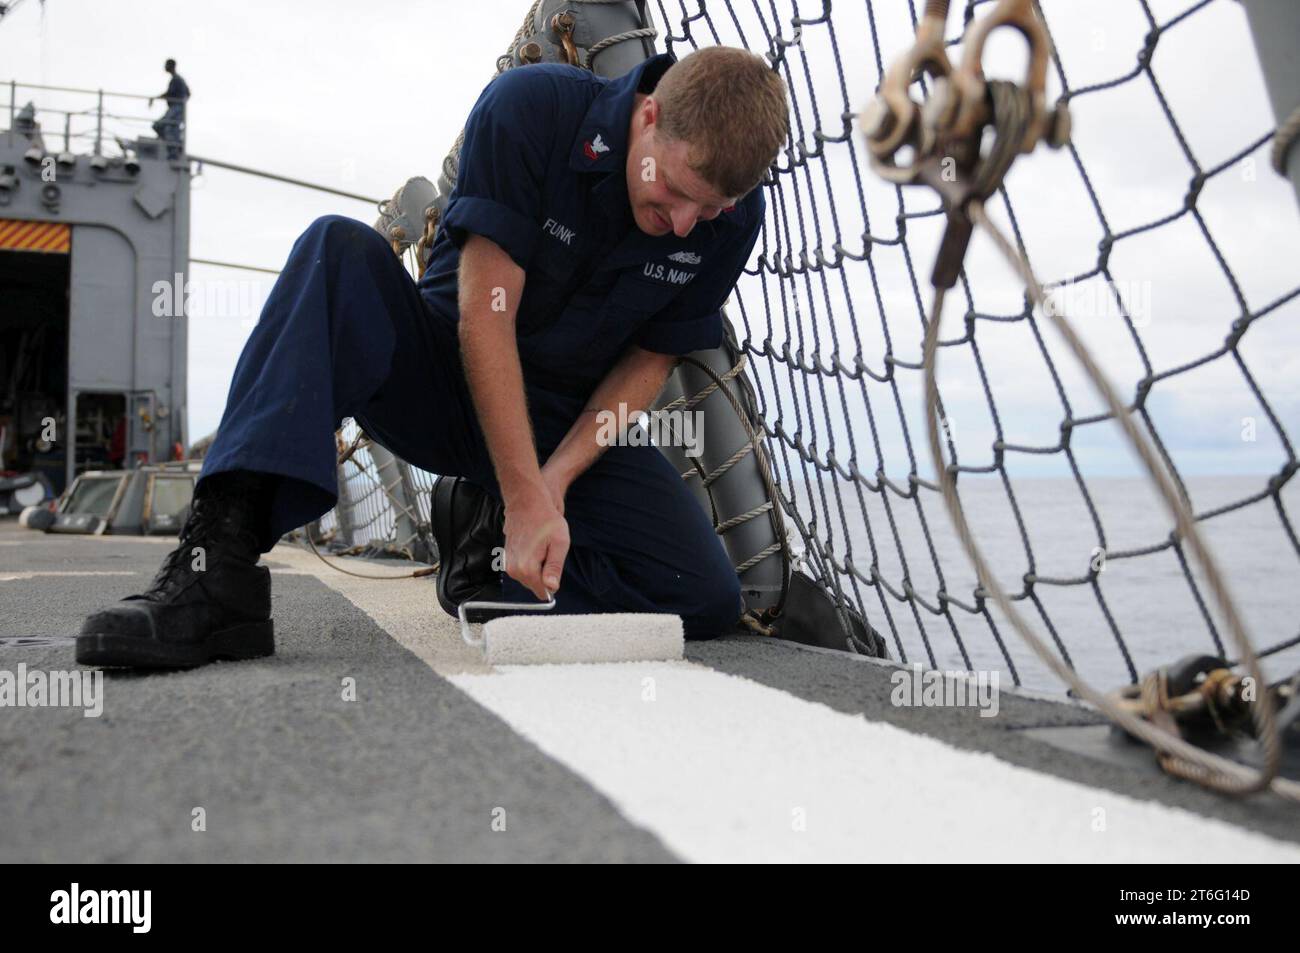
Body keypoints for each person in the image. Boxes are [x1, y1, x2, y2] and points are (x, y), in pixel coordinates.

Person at [76, 46, 790, 669]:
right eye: (674, 191)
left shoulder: (733, 220)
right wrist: (525, 496)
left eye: (709, 210)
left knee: (703, 596)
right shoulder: (532, 109)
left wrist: (551, 485)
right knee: (336, 250)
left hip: (561, 426)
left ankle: (488, 558)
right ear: (649, 116)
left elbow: (649, 361)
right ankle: (217, 573)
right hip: (443, 377)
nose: (685, 224)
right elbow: (486, 315)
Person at [149, 59, 189, 160]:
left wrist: (155, 98)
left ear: (171, 66)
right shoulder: (178, 79)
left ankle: (174, 150)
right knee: (159, 126)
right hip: (175, 108)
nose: (165, 67)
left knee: (169, 127)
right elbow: (188, 93)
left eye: (166, 65)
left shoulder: (177, 79)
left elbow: (170, 93)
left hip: (176, 108)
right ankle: (171, 145)